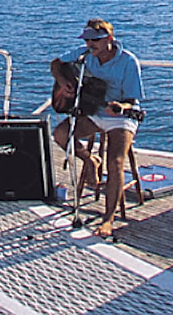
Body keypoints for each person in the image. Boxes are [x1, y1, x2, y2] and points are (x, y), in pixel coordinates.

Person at [50, 18, 145, 237]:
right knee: (61, 134)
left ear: (109, 39)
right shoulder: (84, 56)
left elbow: (132, 101)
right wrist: (63, 81)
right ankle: (89, 160)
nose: (90, 44)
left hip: (121, 117)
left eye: (95, 40)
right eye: (87, 40)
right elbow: (55, 64)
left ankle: (108, 219)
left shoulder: (128, 62)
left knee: (115, 162)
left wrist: (120, 107)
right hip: (93, 111)